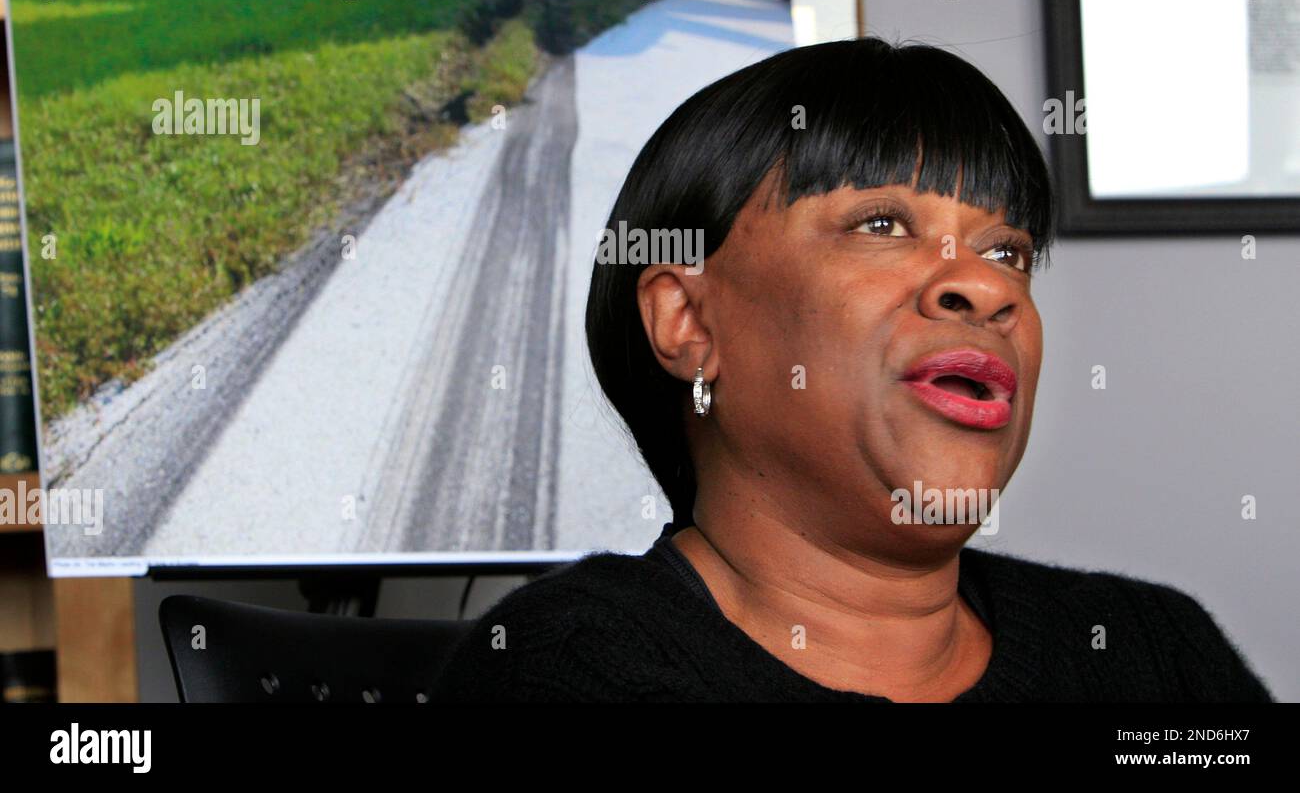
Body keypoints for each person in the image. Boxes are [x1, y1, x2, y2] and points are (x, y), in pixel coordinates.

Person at [431, 37, 1275, 703]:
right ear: (687, 323)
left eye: (1007, 251)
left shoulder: (1151, 652)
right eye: (880, 225)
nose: (985, 284)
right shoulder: (561, 677)